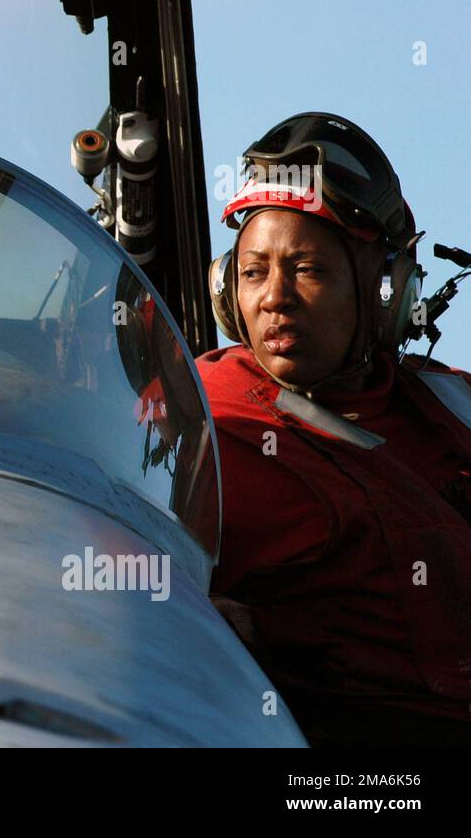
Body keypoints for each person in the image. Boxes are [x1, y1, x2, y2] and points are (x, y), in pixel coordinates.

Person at [199, 111, 471, 747]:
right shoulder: (203, 427)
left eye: (308, 269)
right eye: (253, 270)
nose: (274, 297)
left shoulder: (452, 402)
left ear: (385, 288)